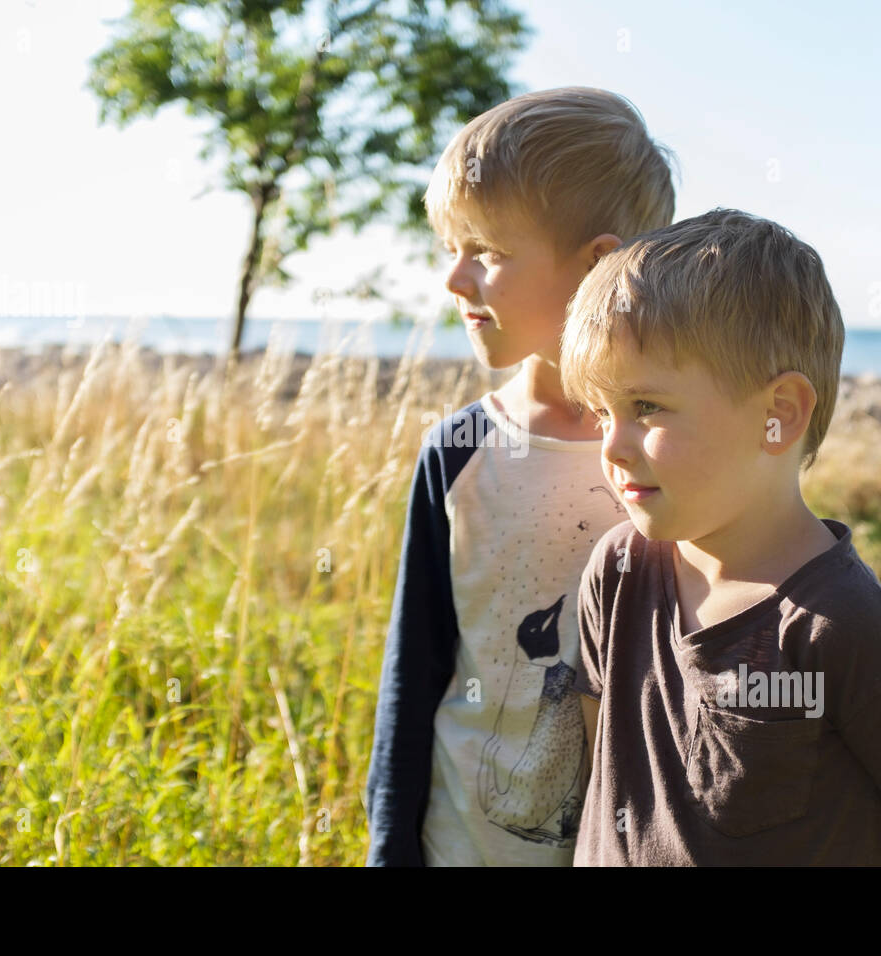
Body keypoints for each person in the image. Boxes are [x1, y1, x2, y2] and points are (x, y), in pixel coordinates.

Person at [560, 209, 881, 865]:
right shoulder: (618, 570)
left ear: (778, 415)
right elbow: (605, 778)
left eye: (646, 407)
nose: (611, 445)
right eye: (602, 410)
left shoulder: (848, 630)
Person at [364, 87, 677, 865]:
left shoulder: (673, 456)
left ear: (598, 265)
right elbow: (417, 670)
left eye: (489, 253)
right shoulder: (458, 452)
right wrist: (388, 847)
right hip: (461, 847)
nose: (455, 281)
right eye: (451, 250)